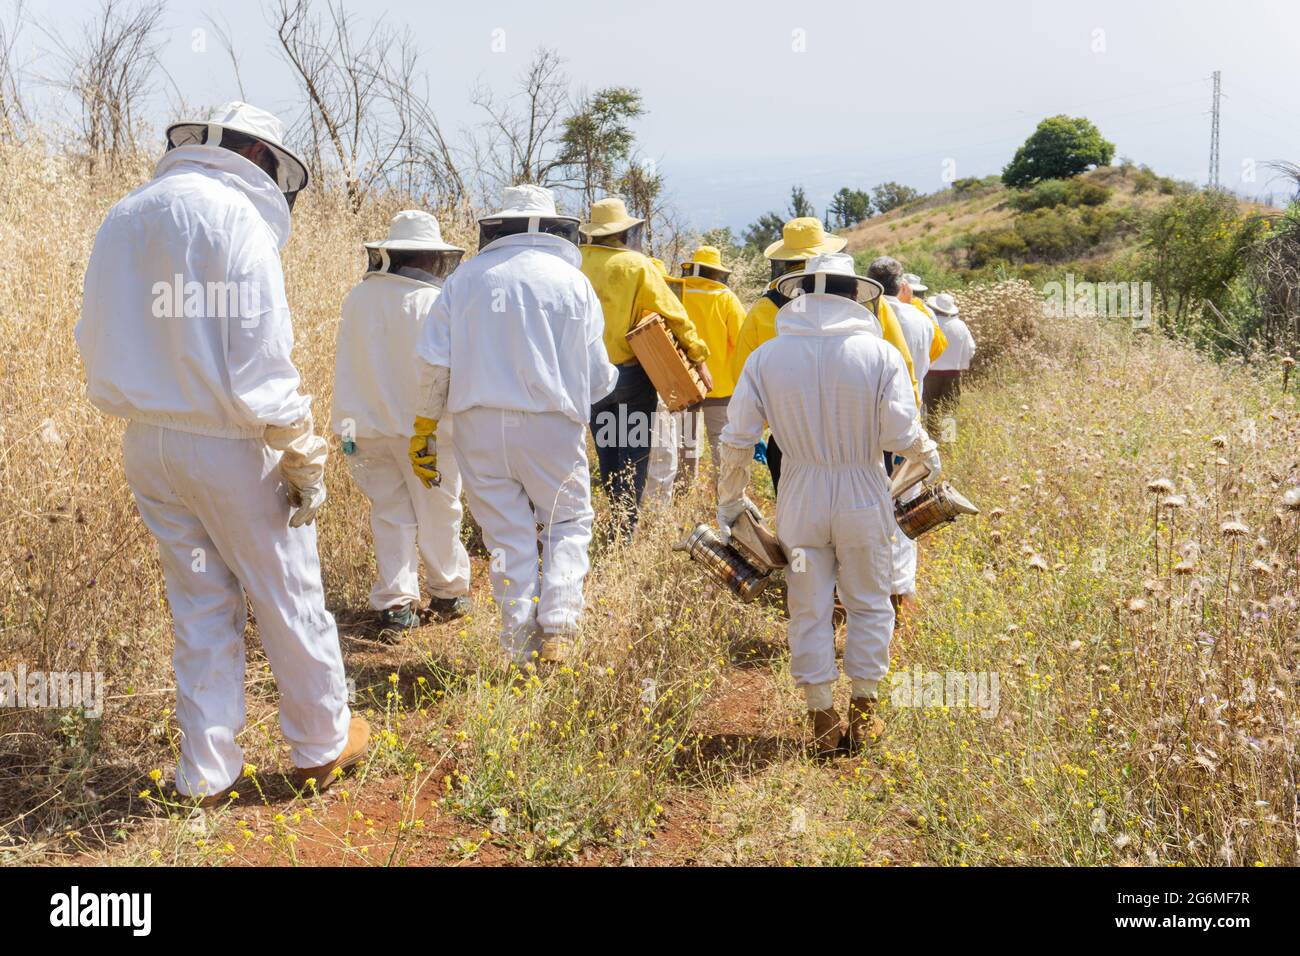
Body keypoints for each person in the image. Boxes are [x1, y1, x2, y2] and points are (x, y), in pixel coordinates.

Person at [76, 101, 367, 804]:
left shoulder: (126, 213)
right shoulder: (236, 219)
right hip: (233, 446)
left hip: (148, 444)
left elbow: (92, 336)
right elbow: (263, 363)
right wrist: (302, 450)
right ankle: (322, 743)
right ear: (262, 161)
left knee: (200, 602)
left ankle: (206, 772)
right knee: (286, 589)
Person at [716, 253, 941, 756]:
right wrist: (931, 456)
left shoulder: (767, 357)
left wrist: (730, 504)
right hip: (864, 489)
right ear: (853, 295)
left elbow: (737, 439)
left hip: (799, 493)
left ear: (801, 296)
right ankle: (865, 710)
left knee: (808, 605)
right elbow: (900, 434)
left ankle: (821, 715)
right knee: (868, 600)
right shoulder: (879, 354)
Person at [412, 185, 617, 666]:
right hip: (551, 423)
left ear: (498, 226)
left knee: (507, 534)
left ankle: (518, 644)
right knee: (566, 520)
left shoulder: (464, 279)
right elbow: (599, 375)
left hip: (476, 425)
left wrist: (423, 425)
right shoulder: (572, 282)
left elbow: (432, 362)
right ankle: (560, 628)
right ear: (553, 227)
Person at [333, 210, 472, 636]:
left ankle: (395, 604)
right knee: (438, 511)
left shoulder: (358, 297)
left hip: (365, 430)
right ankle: (447, 592)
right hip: (425, 433)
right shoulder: (434, 303)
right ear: (431, 259)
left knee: (390, 513)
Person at [731, 218, 922, 493]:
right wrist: (910, 426)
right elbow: (902, 364)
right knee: (868, 525)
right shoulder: (870, 304)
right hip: (863, 442)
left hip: (792, 445)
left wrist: (755, 432)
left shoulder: (763, 309)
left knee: (799, 530)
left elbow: (743, 382)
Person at [579, 197, 711, 530]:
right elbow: (674, 315)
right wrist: (698, 356)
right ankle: (625, 530)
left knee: (607, 448)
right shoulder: (637, 266)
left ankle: (615, 516)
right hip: (629, 376)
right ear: (623, 232)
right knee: (633, 455)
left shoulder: (576, 261)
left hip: (589, 375)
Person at [867, 256, 946, 614]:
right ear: (903, 285)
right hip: (910, 422)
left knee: (870, 503)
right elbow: (935, 353)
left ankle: (863, 585)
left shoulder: (863, 317)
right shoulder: (921, 318)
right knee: (905, 506)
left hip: (868, 425)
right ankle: (900, 589)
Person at [677, 246, 745, 488]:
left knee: (687, 441)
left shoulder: (680, 295)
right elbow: (741, 340)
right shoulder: (726, 298)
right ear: (716, 272)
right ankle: (724, 495)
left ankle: (683, 493)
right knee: (720, 441)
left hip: (684, 380)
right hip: (720, 384)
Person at [643, 257, 685, 507]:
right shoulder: (650, 318)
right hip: (657, 395)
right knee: (663, 458)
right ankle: (655, 518)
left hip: (640, 395)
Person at [924, 292, 976, 413]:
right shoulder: (960, 325)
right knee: (949, 411)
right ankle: (949, 432)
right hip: (953, 374)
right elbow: (971, 348)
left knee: (930, 410)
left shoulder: (930, 324)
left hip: (931, 373)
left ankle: (932, 432)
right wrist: (960, 363)